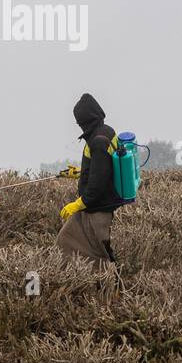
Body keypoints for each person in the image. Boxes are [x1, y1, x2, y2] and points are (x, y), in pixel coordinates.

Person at [55, 93, 123, 264]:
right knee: (65, 239)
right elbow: (104, 167)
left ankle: (110, 282)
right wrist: (80, 172)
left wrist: (77, 205)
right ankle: (80, 278)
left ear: (84, 120)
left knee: (99, 255)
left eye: (79, 121)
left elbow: (98, 184)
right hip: (93, 207)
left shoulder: (98, 140)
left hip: (98, 208)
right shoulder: (105, 131)